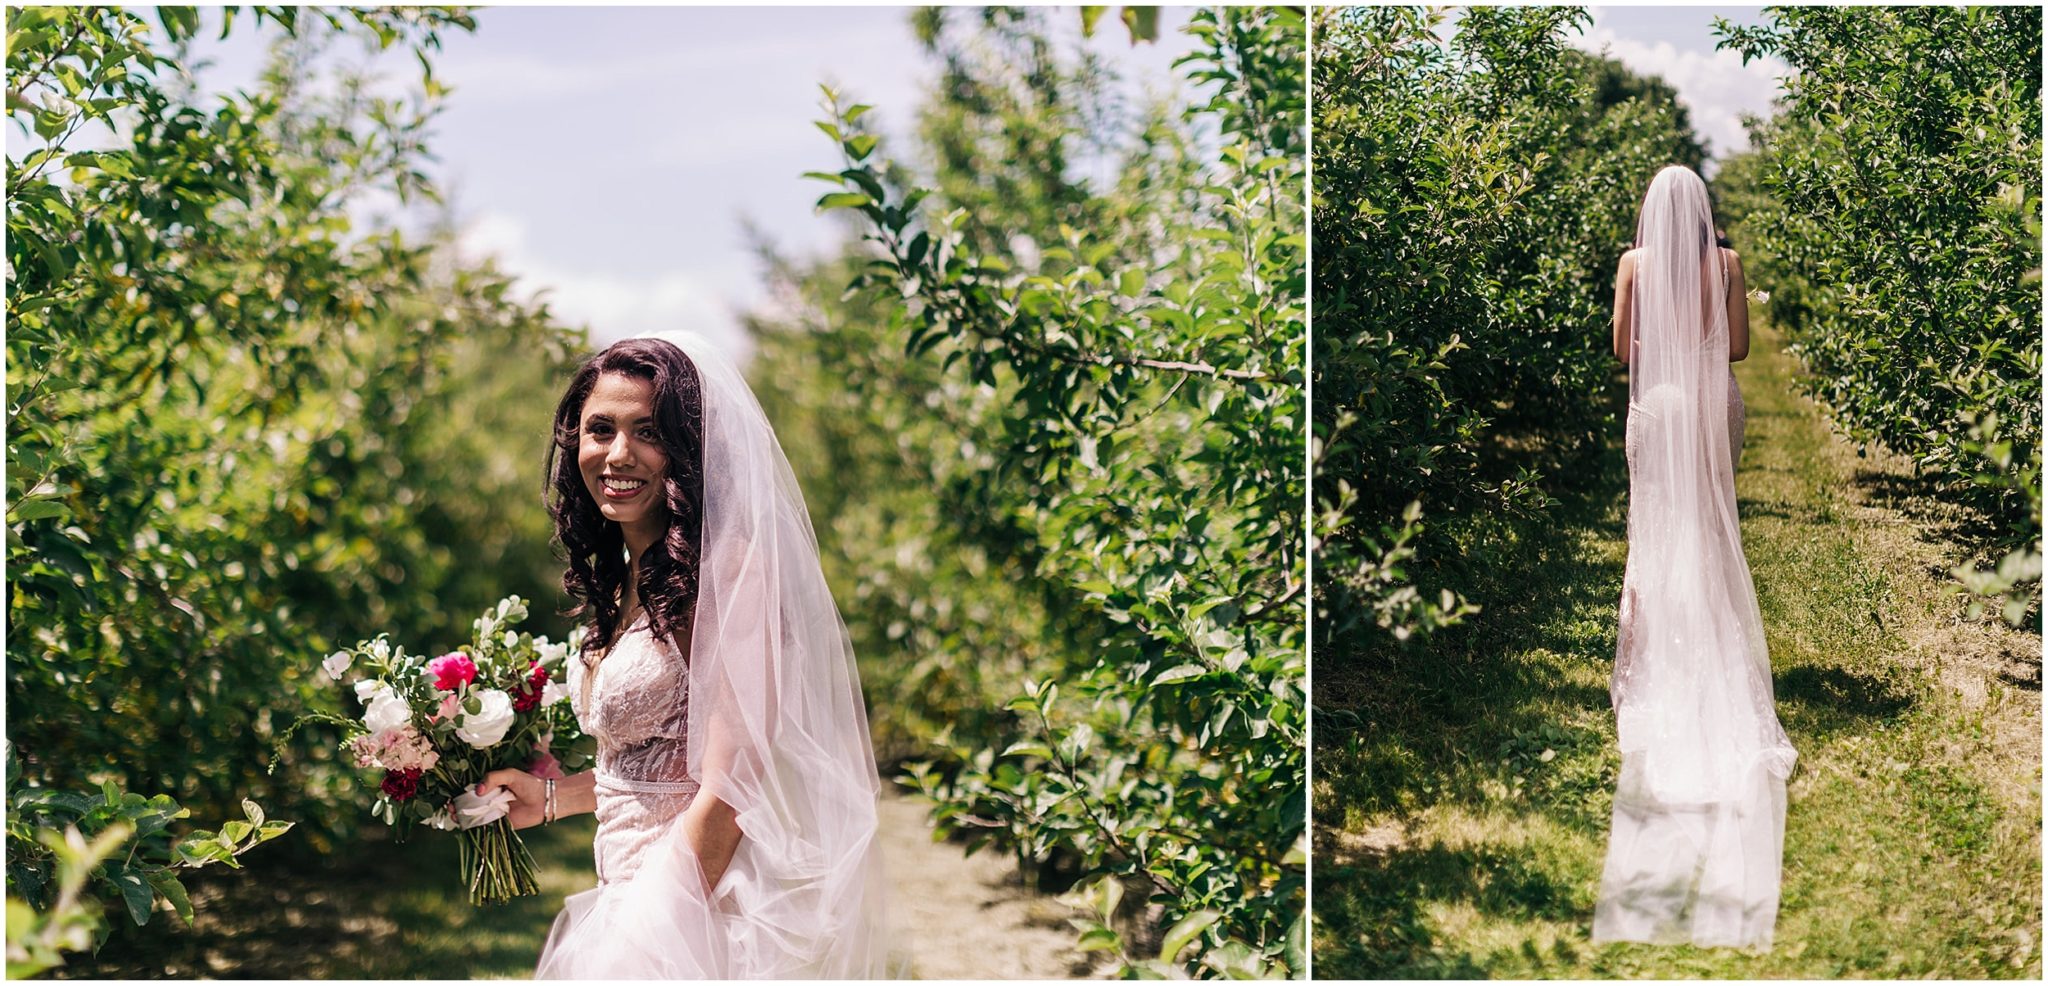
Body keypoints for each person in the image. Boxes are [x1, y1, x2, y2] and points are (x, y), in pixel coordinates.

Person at [478, 330, 894, 978]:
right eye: (600, 429)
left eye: (648, 431)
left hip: (697, 920)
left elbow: (730, 792)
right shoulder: (627, 577)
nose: (619, 453)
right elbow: (660, 774)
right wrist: (552, 798)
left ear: (688, 447)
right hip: (628, 897)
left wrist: (643, 946)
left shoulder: (731, 576)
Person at [1594, 165, 1797, 950]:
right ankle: (1719, 663)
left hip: (1659, 403)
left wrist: (1659, 341)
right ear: (1705, 208)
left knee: (1654, 530)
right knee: (1712, 533)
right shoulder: (1731, 263)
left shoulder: (1633, 265)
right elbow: (1740, 349)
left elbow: (1622, 349)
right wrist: (1700, 335)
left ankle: (1653, 660)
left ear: (1650, 210)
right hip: (1713, 405)